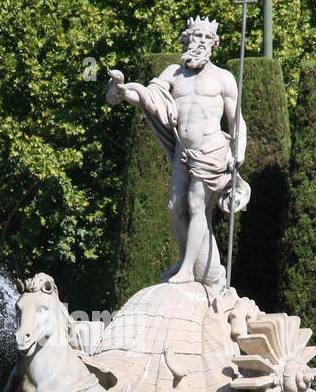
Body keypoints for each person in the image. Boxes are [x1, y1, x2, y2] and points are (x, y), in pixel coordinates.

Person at [106, 16, 248, 287]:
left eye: (207, 39)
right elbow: (149, 98)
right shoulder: (173, 73)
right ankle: (194, 262)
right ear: (186, 39)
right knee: (175, 207)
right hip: (183, 153)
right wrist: (124, 90)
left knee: (196, 205)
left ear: (214, 44)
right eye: (196, 37)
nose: (201, 42)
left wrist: (237, 150)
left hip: (212, 151)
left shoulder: (223, 78)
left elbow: (236, 120)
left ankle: (187, 270)